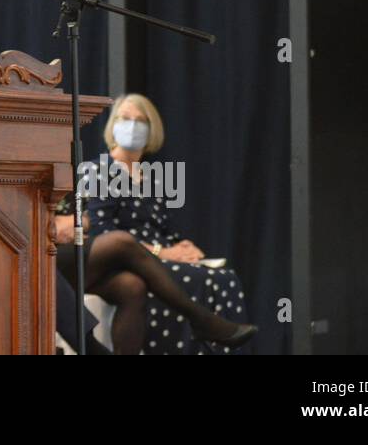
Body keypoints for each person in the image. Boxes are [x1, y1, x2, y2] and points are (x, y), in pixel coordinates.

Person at [87, 93, 252, 355]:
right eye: (125, 118)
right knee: (201, 280)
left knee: (224, 277)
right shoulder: (99, 170)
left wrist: (182, 247)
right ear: (113, 125)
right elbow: (102, 231)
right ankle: (202, 330)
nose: (132, 126)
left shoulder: (151, 177)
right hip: (128, 260)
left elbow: (165, 229)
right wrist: (160, 252)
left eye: (140, 121)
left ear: (152, 129)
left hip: (160, 255)